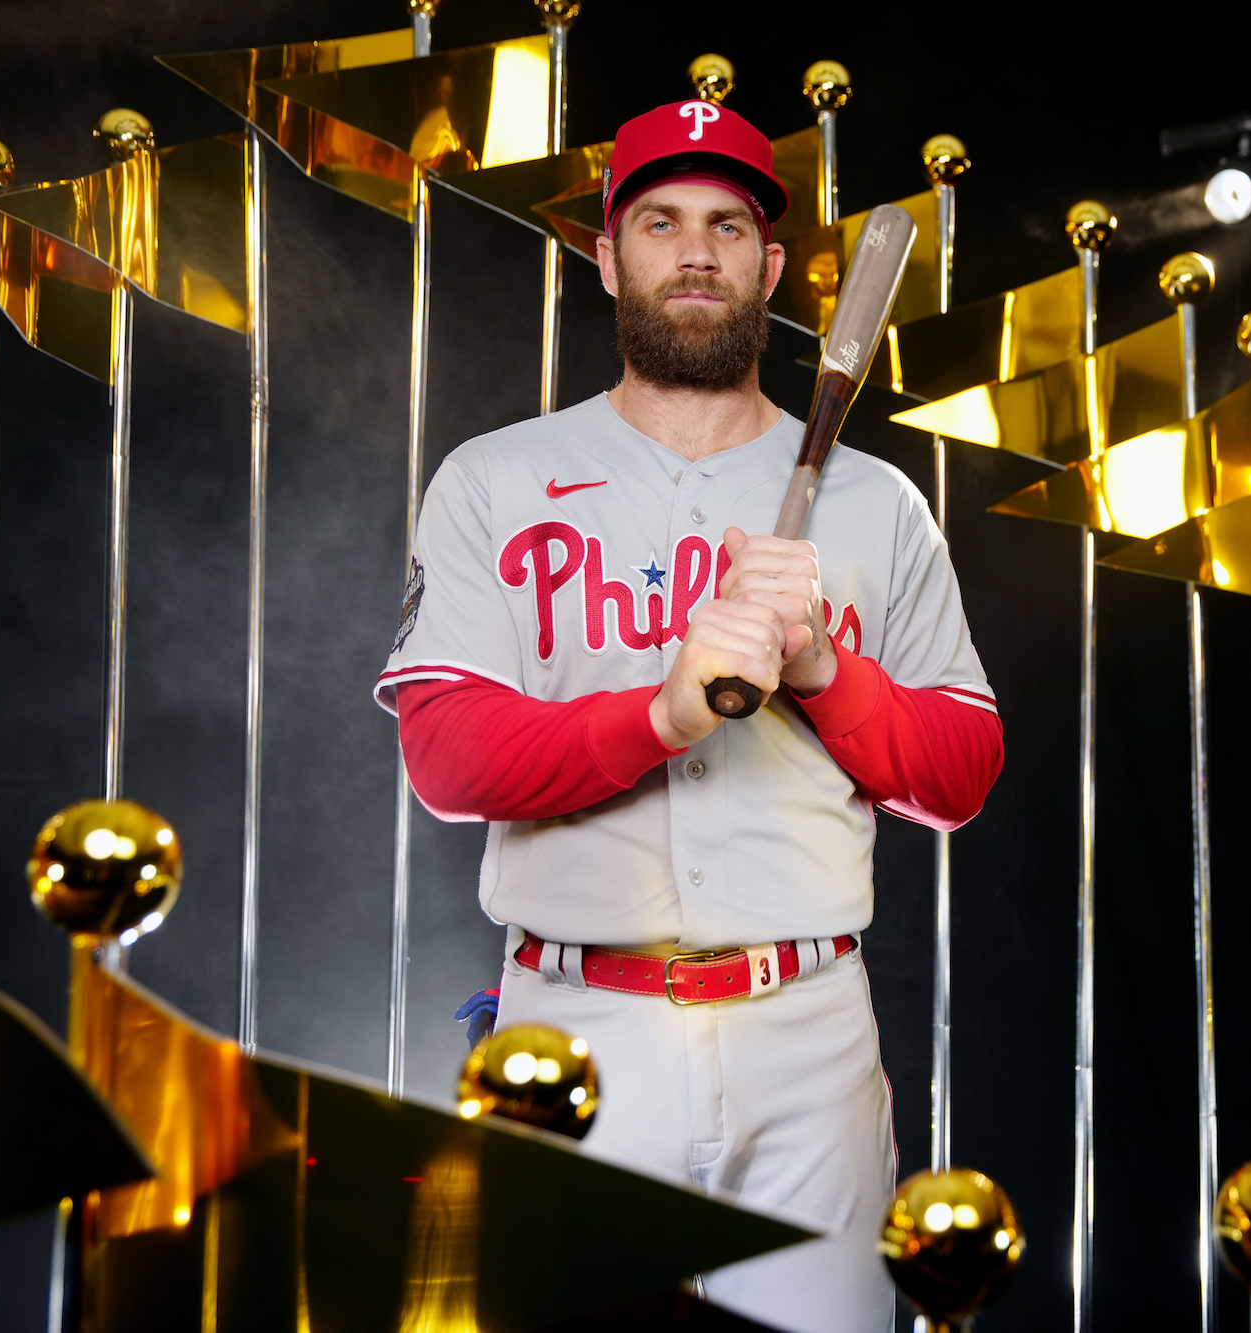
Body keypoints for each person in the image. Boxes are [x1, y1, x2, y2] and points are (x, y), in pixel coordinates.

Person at [374, 98, 1003, 1331]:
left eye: (727, 225)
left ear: (769, 267)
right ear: (608, 256)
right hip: (575, 1033)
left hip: (807, 1030)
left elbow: (961, 774)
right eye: (660, 221)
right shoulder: (491, 478)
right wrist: (661, 712)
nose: (696, 251)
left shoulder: (876, 504)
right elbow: (445, 759)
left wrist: (824, 669)